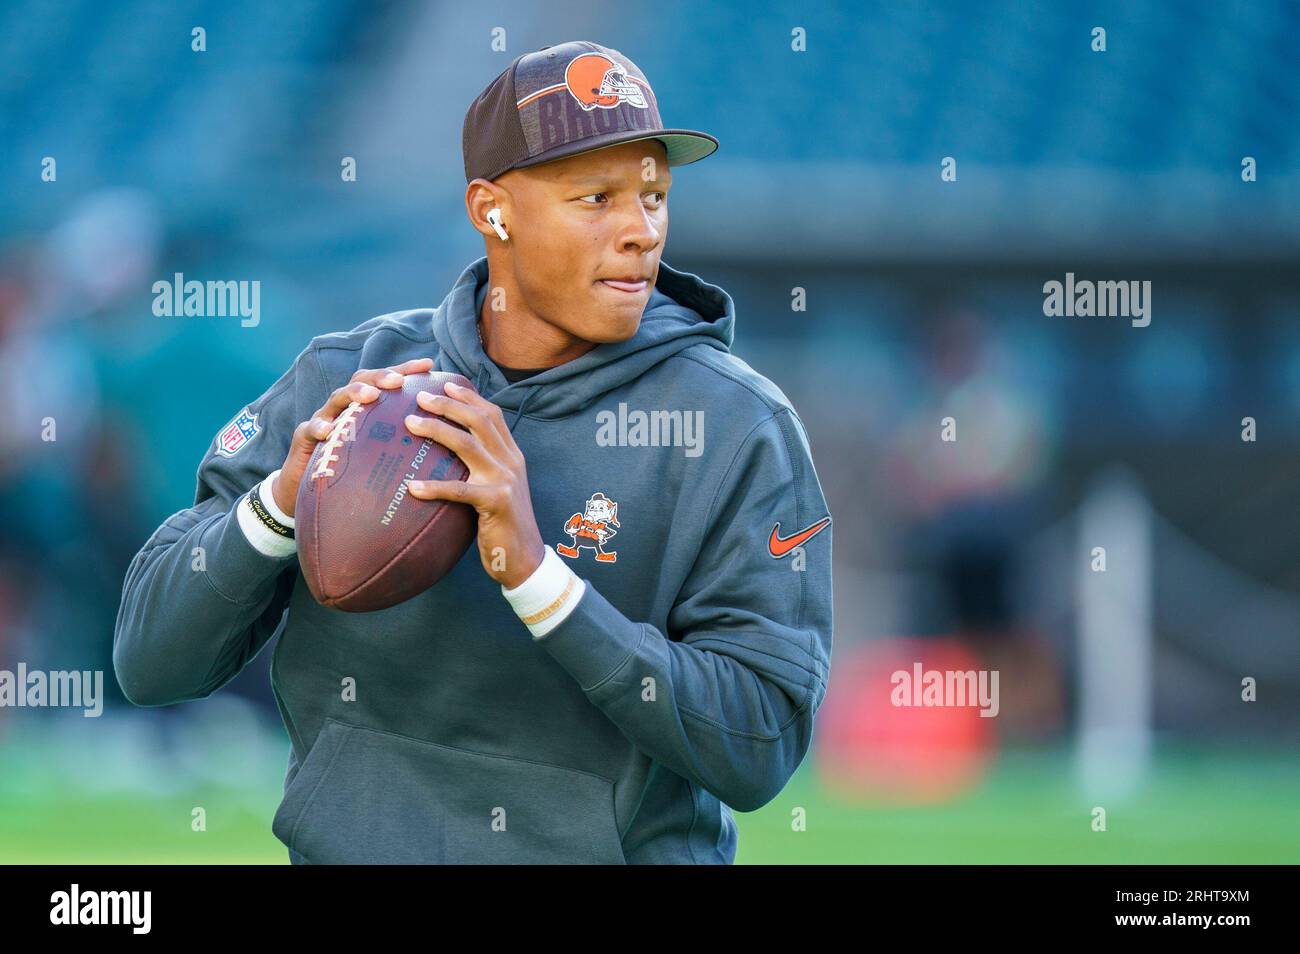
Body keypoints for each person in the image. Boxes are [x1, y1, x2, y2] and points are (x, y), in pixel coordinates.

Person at [114, 40, 834, 864]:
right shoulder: (350, 380)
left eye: (654, 196)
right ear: (492, 211)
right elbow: (149, 663)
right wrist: (281, 506)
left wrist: (540, 582)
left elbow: (758, 745)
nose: (641, 232)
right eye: (596, 198)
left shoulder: (738, 426)